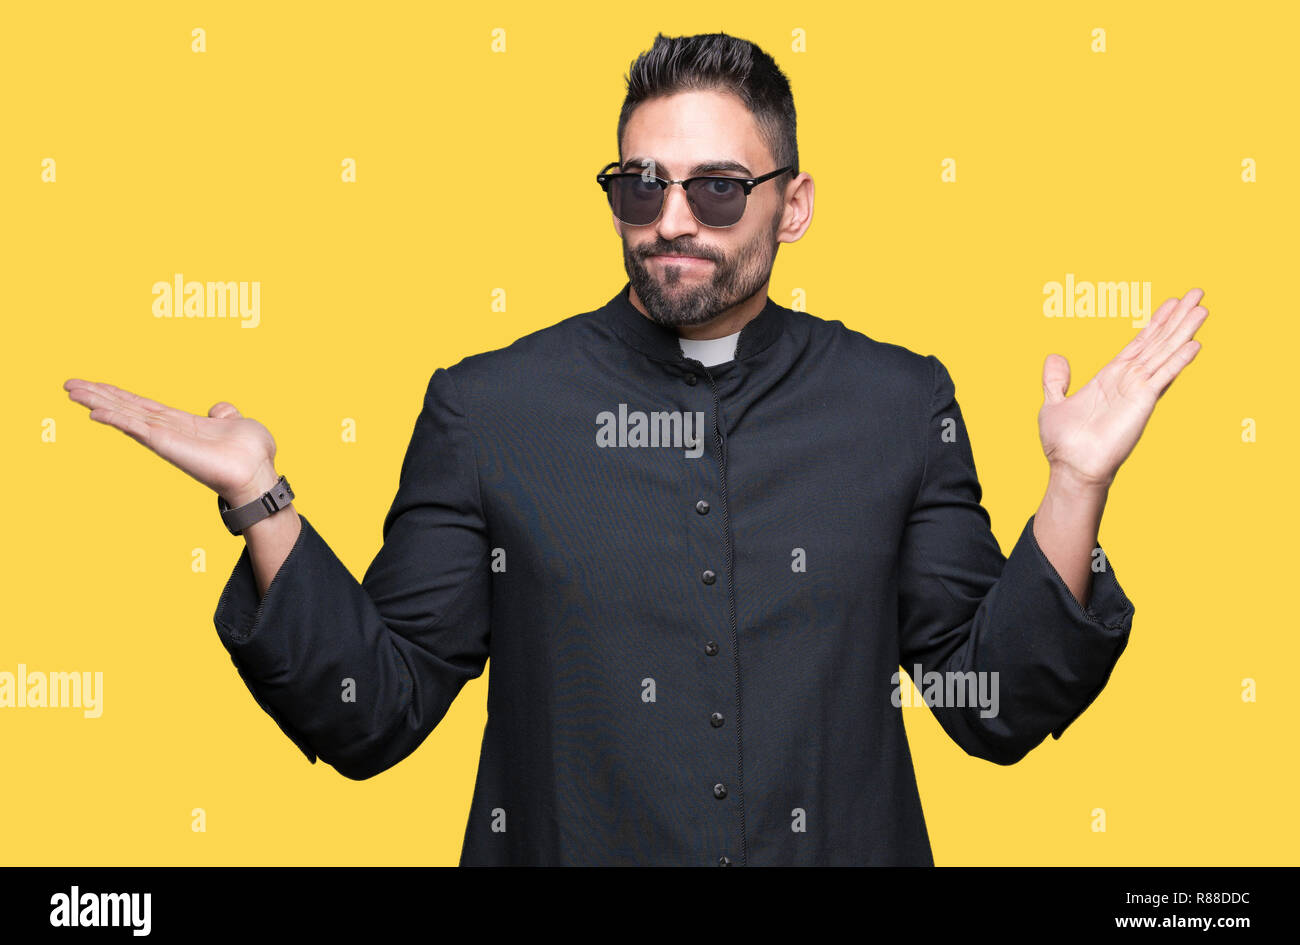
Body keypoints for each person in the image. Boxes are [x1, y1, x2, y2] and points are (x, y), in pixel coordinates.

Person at [62, 31, 1207, 866]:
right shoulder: (488, 407)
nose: (670, 219)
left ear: (791, 203)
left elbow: (989, 700)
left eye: (716, 188)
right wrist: (262, 499)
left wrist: (1075, 485)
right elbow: (375, 707)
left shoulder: (898, 401)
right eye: (637, 184)